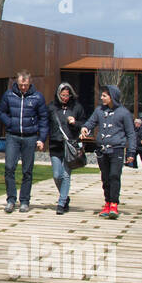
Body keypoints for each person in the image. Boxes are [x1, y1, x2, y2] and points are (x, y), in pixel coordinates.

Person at [80, 85, 136, 219]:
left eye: (105, 95)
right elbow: (90, 123)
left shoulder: (124, 113)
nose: (101, 98)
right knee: (105, 178)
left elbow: (131, 134)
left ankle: (114, 204)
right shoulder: (99, 110)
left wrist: (131, 152)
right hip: (102, 150)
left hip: (116, 149)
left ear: (112, 96)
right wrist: (85, 128)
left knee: (114, 176)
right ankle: (107, 203)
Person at [0, 70, 49, 213]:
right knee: (9, 168)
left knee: (27, 170)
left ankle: (25, 200)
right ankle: (11, 200)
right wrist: (10, 123)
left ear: (30, 83)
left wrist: (41, 139)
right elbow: (1, 112)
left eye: (25, 85)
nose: (23, 87)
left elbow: (44, 119)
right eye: (21, 84)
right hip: (13, 136)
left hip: (30, 137)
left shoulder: (37, 97)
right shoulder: (9, 95)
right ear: (17, 83)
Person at [47, 82, 86, 215]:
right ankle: (65, 197)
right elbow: (46, 122)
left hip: (69, 145)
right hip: (55, 144)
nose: (64, 97)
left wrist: (74, 123)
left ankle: (61, 202)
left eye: (67, 95)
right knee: (57, 175)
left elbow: (83, 123)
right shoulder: (52, 107)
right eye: (62, 95)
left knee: (66, 174)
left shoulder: (77, 107)